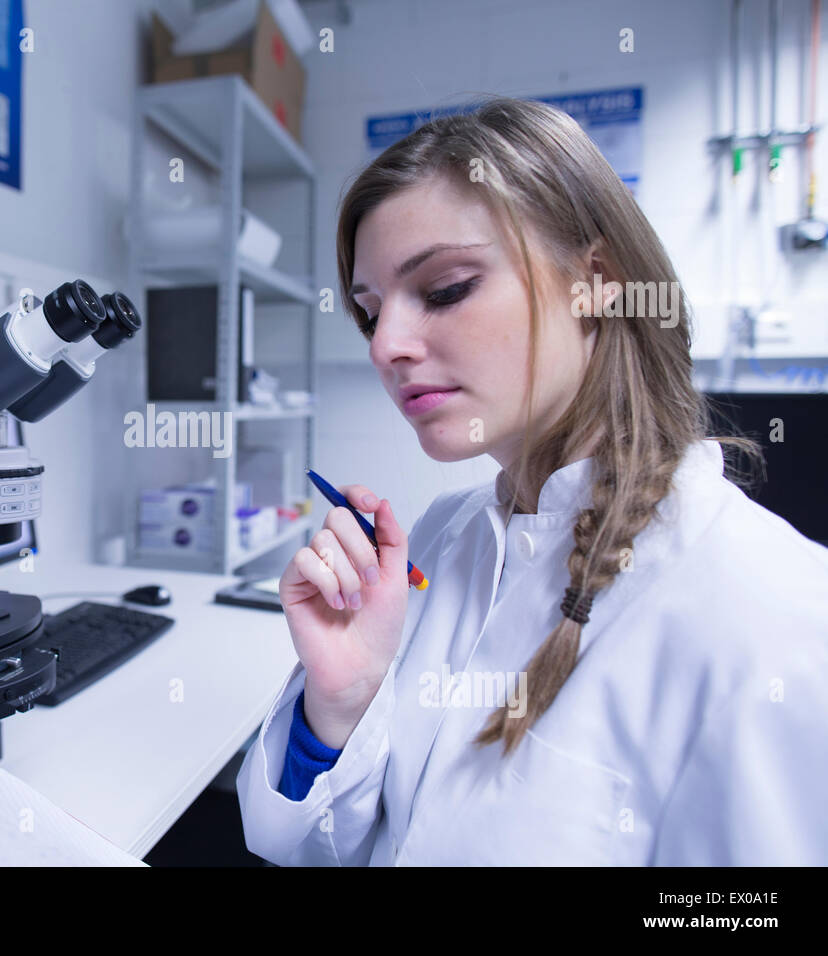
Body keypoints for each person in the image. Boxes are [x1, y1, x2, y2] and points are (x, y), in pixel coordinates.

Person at [236, 97, 828, 866]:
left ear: (597, 278)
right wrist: (341, 702)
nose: (386, 345)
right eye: (368, 311)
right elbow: (311, 848)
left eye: (445, 289)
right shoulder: (445, 539)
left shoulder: (773, 612)